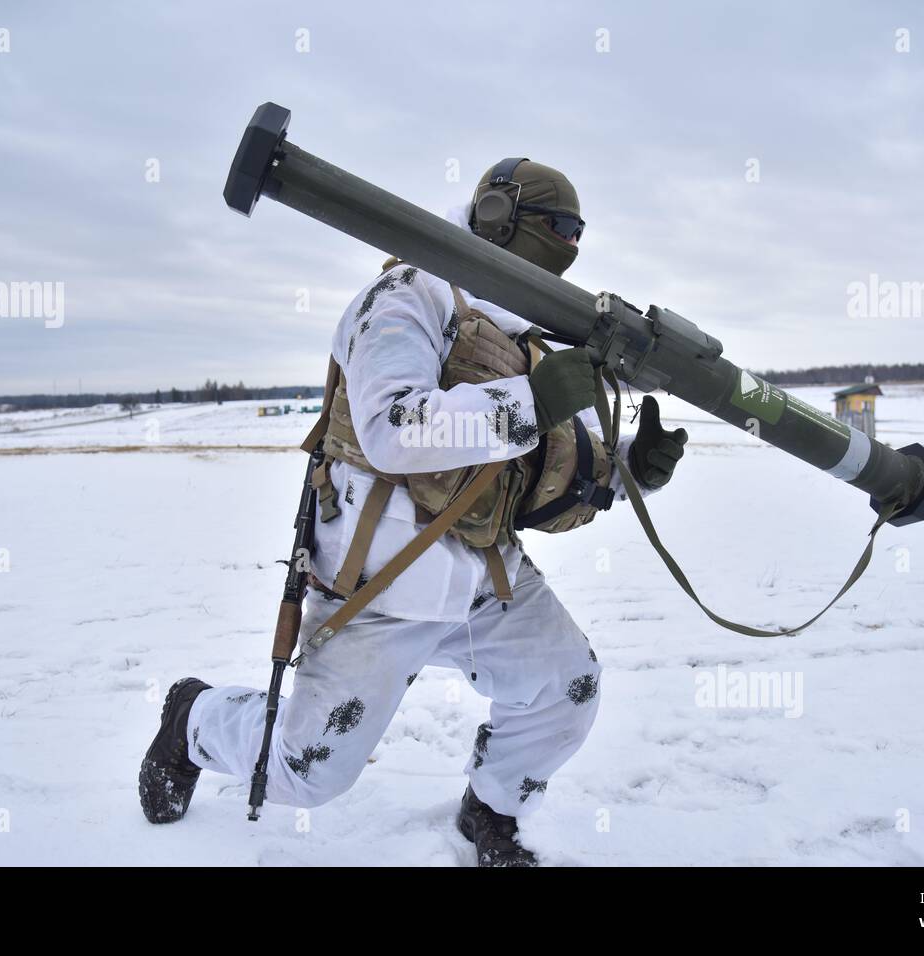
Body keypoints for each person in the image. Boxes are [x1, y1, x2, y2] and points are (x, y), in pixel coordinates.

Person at [140, 159, 688, 866]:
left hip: (484, 578)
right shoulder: (405, 296)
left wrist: (626, 473)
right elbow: (397, 428)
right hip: (378, 585)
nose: (570, 247)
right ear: (497, 217)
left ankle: (490, 809)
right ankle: (195, 719)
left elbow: (541, 481)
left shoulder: (525, 342)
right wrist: (537, 400)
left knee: (566, 686)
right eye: (558, 228)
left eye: (578, 234)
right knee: (305, 774)